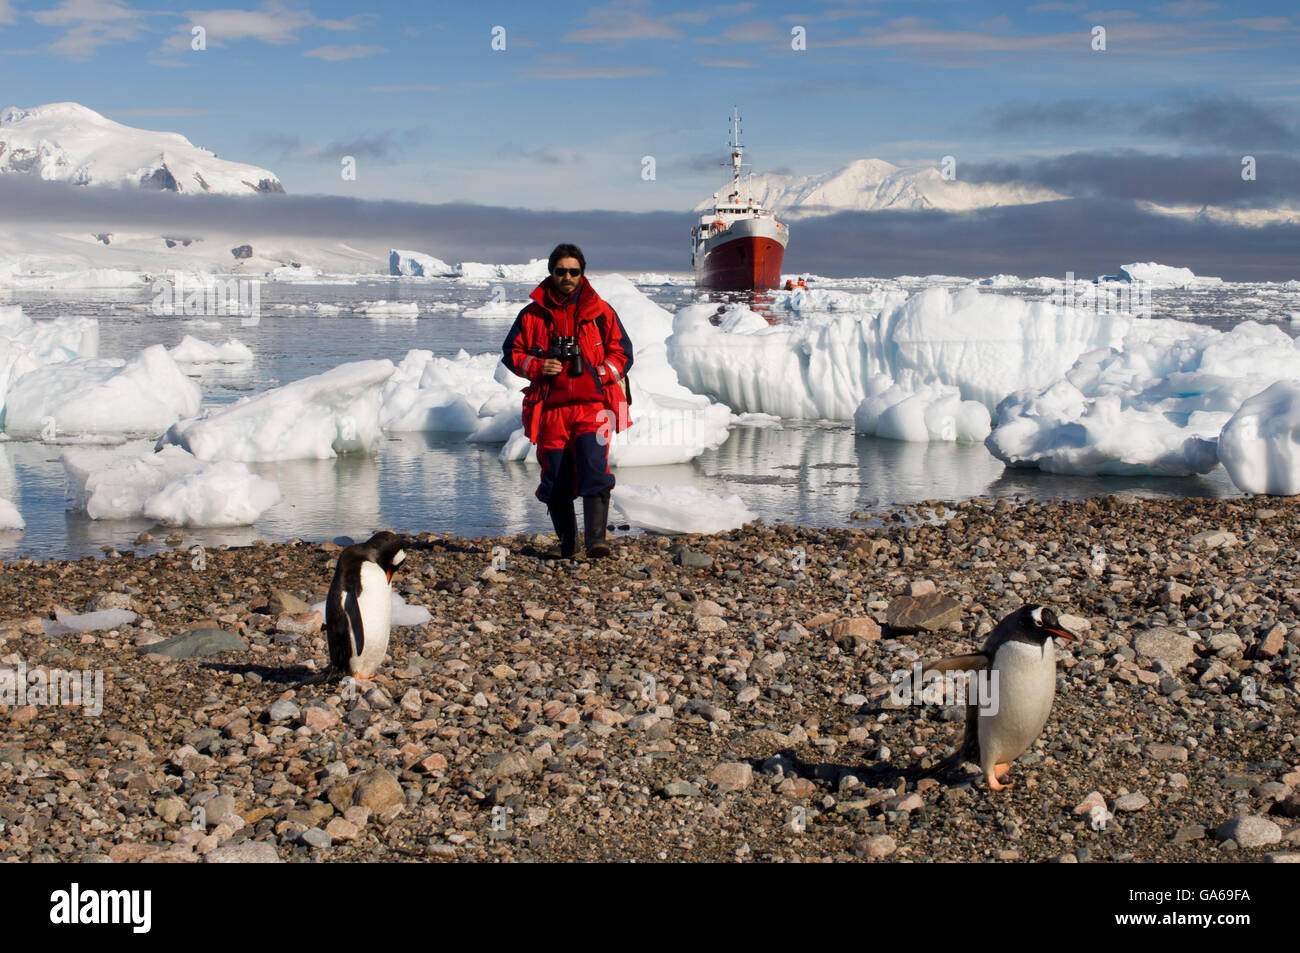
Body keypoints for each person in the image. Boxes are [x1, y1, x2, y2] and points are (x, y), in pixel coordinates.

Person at [502, 244, 634, 559]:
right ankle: (568, 544)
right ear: (552, 273)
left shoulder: (601, 311)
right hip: (550, 409)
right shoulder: (533, 314)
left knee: (594, 466)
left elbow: (623, 353)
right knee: (556, 477)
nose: (567, 277)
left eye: (574, 271)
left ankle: (596, 542)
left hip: (594, 406)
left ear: (582, 273)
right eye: (561, 271)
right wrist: (538, 365)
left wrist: (599, 373)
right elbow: (512, 353)